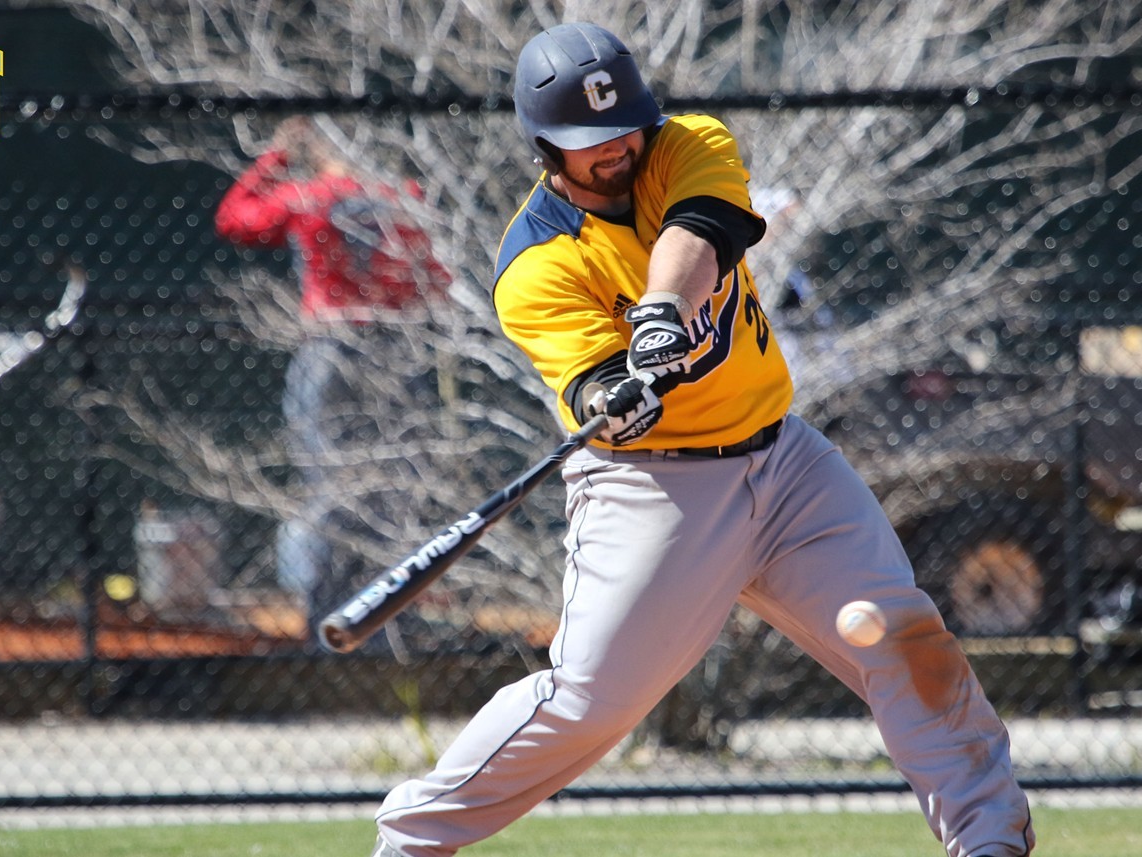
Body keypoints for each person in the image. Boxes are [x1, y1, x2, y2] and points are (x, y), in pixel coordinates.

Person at [369, 23, 1035, 857]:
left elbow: (701, 230)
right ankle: (410, 842)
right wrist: (614, 392)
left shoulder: (689, 144)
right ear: (545, 149)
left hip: (786, 463)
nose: (614, 150)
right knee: (588, 704)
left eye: (624, 129)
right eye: (588, 143)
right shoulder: (534, 265)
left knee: (903, 636)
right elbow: (583, 381)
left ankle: (991, 840)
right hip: (653, 491)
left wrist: (660, 315)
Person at [215, 116, 451, 631]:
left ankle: (327, 616)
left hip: (331, 345)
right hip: (398, 348)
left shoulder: (309, 196)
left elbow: (235, 220)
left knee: (326, 483)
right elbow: (436, 280)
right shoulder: (404, 195)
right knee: (398, 483)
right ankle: (397, 620)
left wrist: (275, 157)